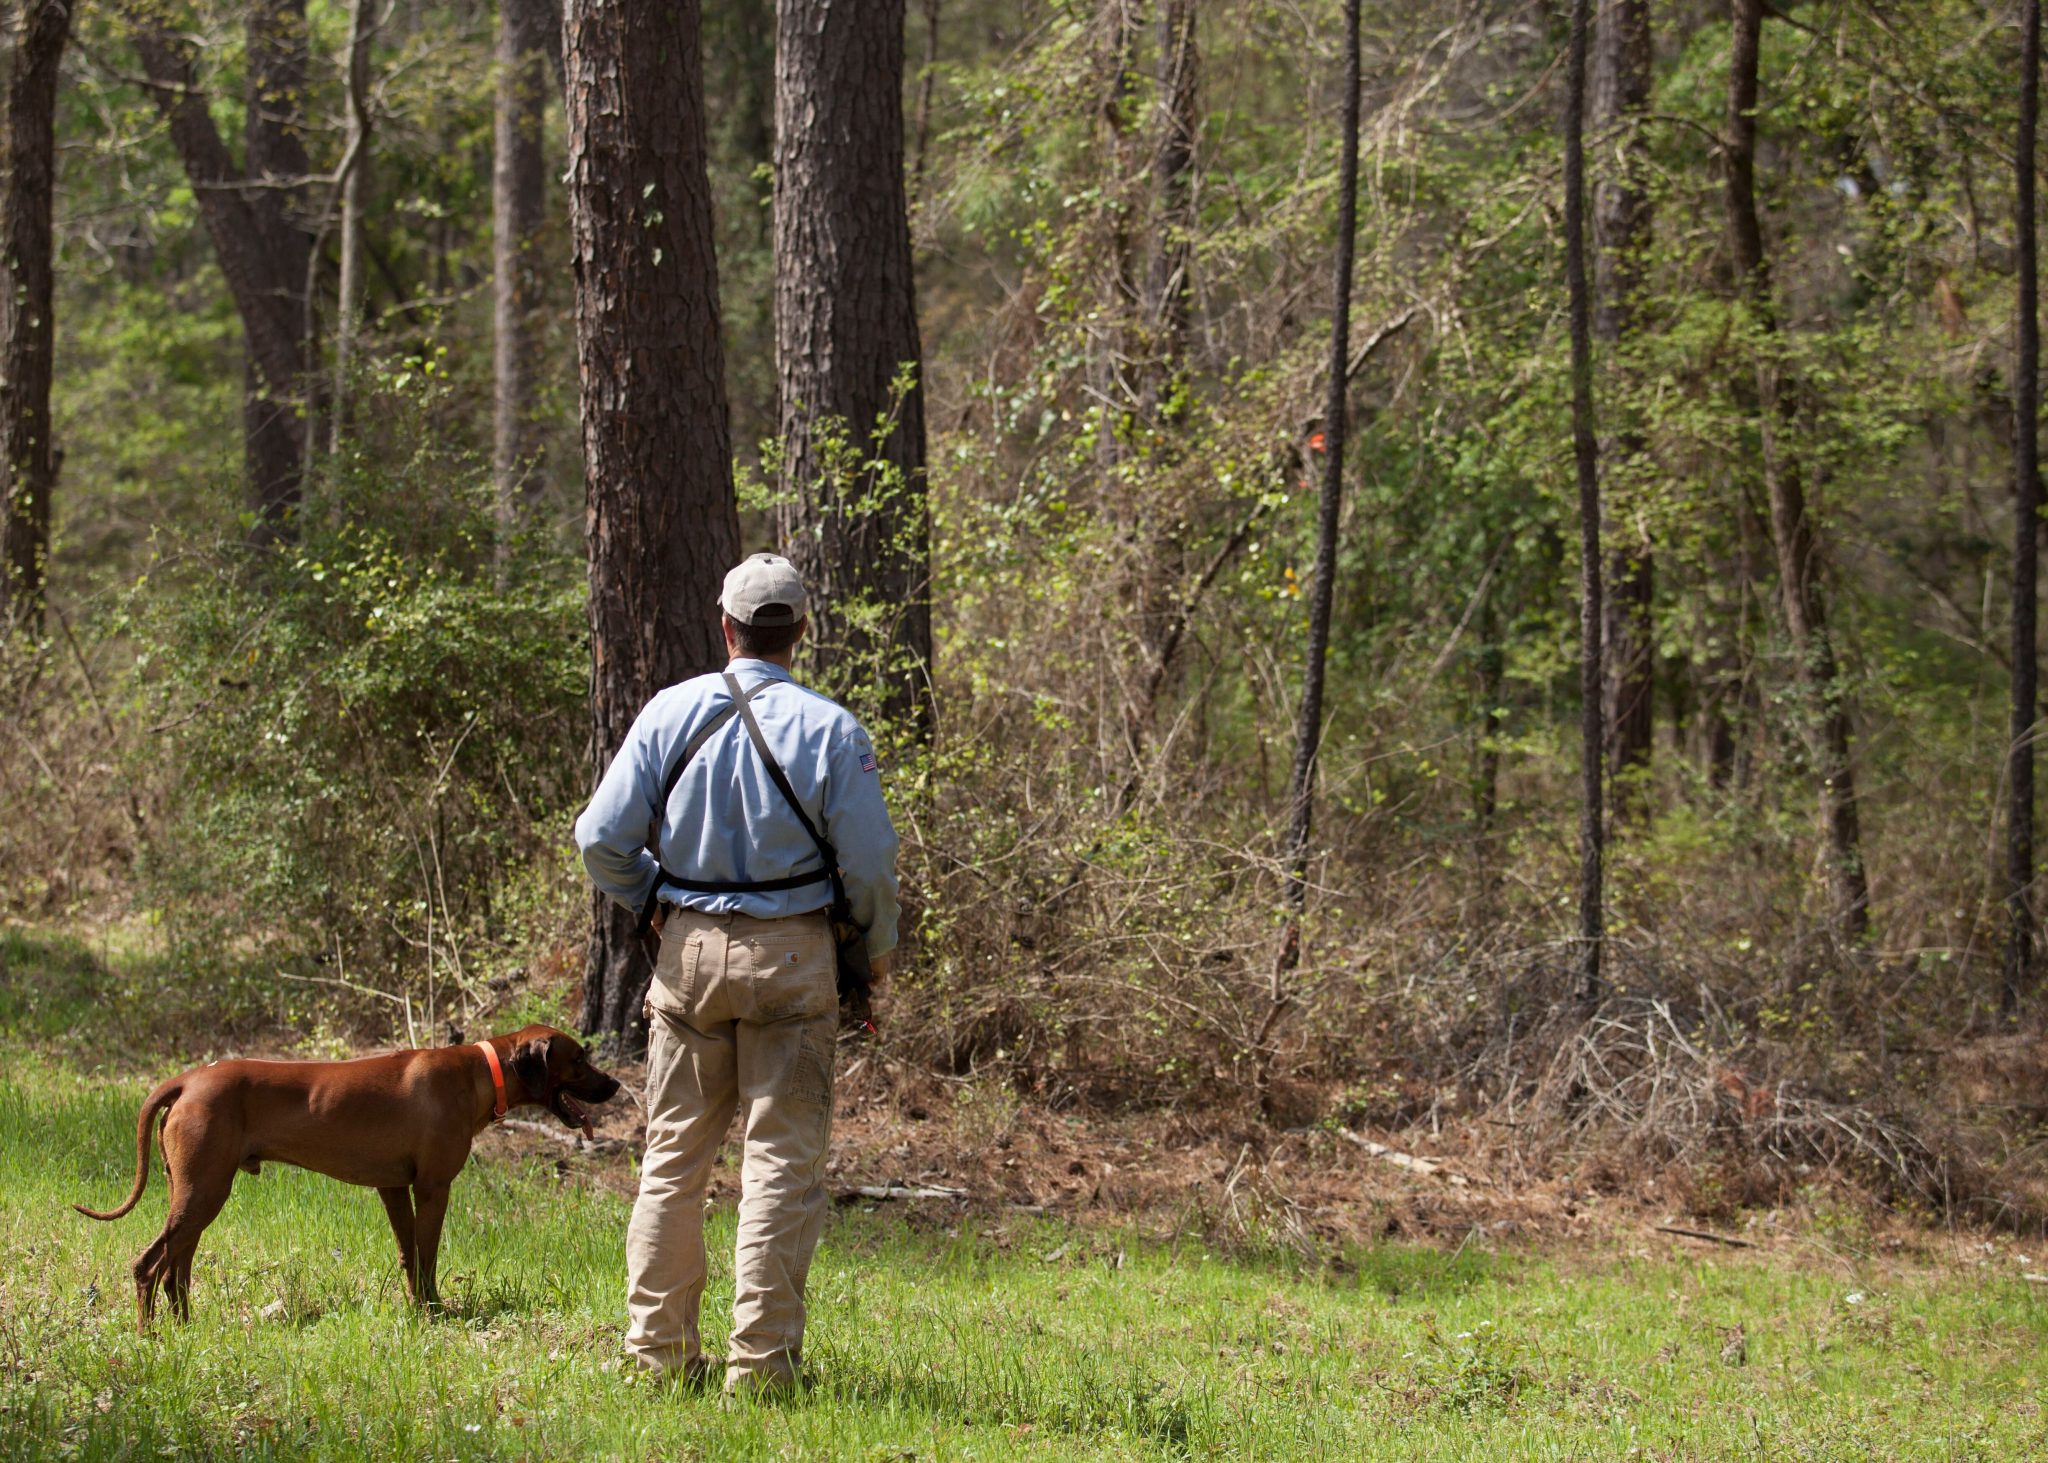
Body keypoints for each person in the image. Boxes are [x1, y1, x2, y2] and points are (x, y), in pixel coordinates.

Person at [573, 552, 900, 1397]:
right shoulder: (833, 730)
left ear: (725, 626)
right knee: (781, 1168)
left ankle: (656, 1358)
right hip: (793, 957)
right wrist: (878, 948)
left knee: (672, 1162)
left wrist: (653, 898)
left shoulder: (668, 712)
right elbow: (870, 865)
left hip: (686, 957)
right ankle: (759, 1371)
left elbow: (599, 838)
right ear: (802, 631)